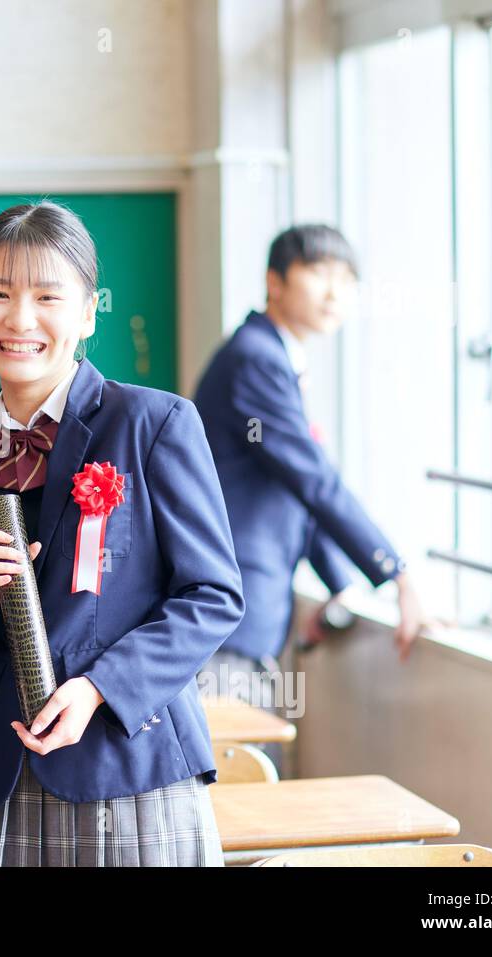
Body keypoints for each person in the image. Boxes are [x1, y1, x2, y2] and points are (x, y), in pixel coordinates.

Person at [0, 201, 245, 866]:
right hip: (3, 771)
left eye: (48, 295)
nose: (20, 319)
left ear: (87, 311)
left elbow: (213, 595)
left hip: (131, 759)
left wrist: (100, 686)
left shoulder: (153, 422)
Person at [194, 225, 430, 768]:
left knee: (247, 776)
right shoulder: (256, 358)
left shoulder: (270, 355)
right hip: (230, 612)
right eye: (320, 273)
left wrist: (340, 584)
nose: (334, 292)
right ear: (274, 282)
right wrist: (396, 573)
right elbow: (314, 480)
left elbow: (292, 486)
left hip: (249, 610)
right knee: (234, 781)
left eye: (347, 280)